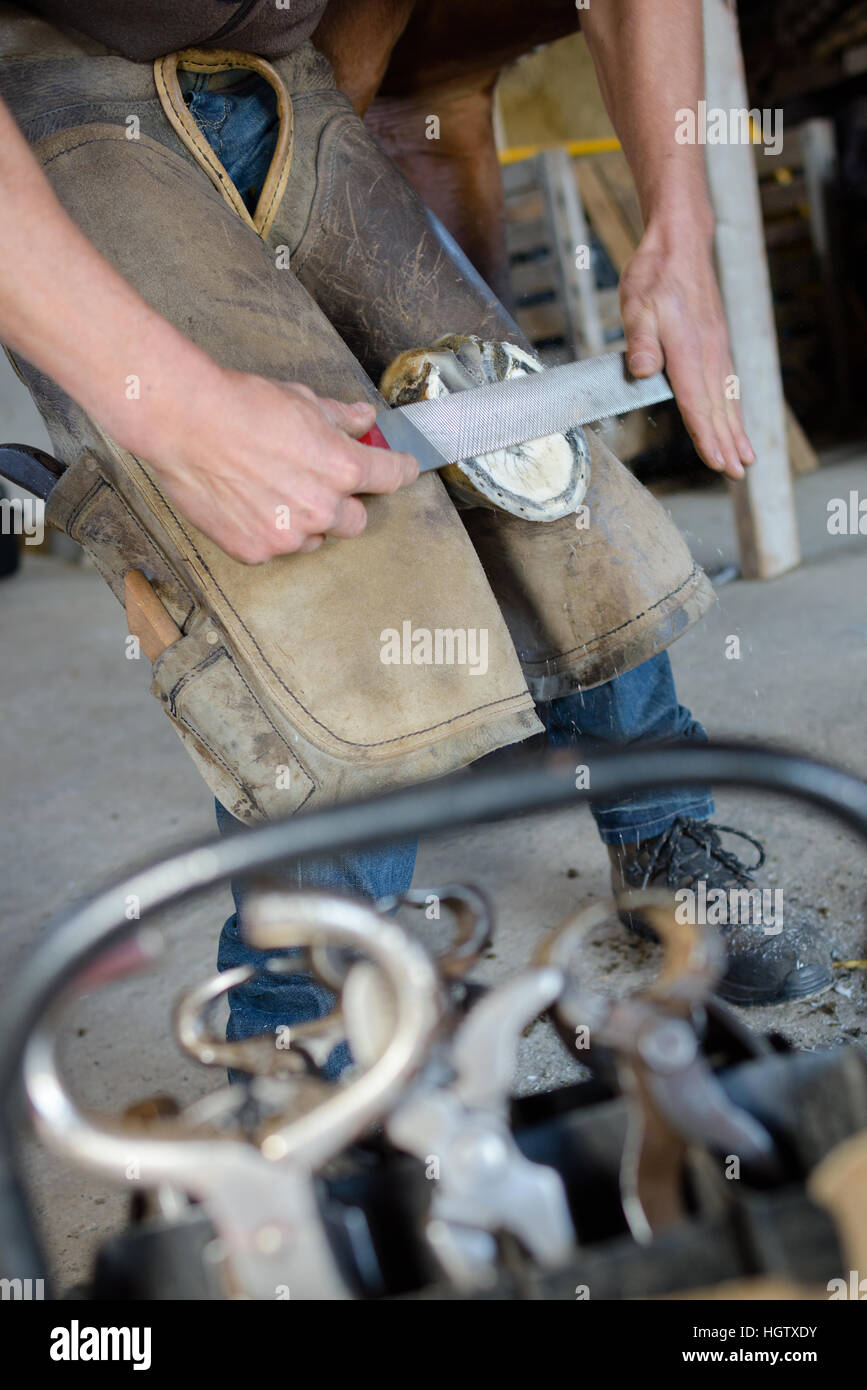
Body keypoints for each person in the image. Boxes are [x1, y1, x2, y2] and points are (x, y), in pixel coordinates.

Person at [0, 1, 831, 1062]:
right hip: (57, 91)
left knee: (539, 466)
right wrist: (173, 408)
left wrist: (680, 228)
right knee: (326, 564)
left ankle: (660, 834)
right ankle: (304, 1029)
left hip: (287, 75)